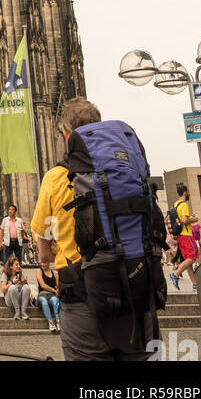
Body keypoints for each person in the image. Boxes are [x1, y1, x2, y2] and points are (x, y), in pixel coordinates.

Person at [31, 95, 165, 361]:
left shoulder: (56, 178)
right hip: (137, 294)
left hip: (82, 300)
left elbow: (43, 250)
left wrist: (50, 256)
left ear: (67, 135)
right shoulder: (128, 167)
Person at [170, 184, 199, 292]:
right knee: (193, 256)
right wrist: (194, 219)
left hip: (180, 236)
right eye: (189, 192)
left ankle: (195, 284)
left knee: (187, 259)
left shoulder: (176, 204)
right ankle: (176, 274)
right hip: (186, 234)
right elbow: (185, 220)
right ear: (185, 192)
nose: (189, 193)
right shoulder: (184, 205)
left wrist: (189, 217)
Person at [37, 258, 60, 332]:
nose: (43, 264)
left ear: (49, 263)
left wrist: (57, 290)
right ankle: (51, 322)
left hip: (52, 296)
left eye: (45, 263)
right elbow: (43, 285)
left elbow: (58, 286)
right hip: (42, 295)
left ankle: (58, 321)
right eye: (41, 263)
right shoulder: (39, 271)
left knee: (55, 300)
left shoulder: (54, 273)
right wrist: (53, 290)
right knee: (44, 301)